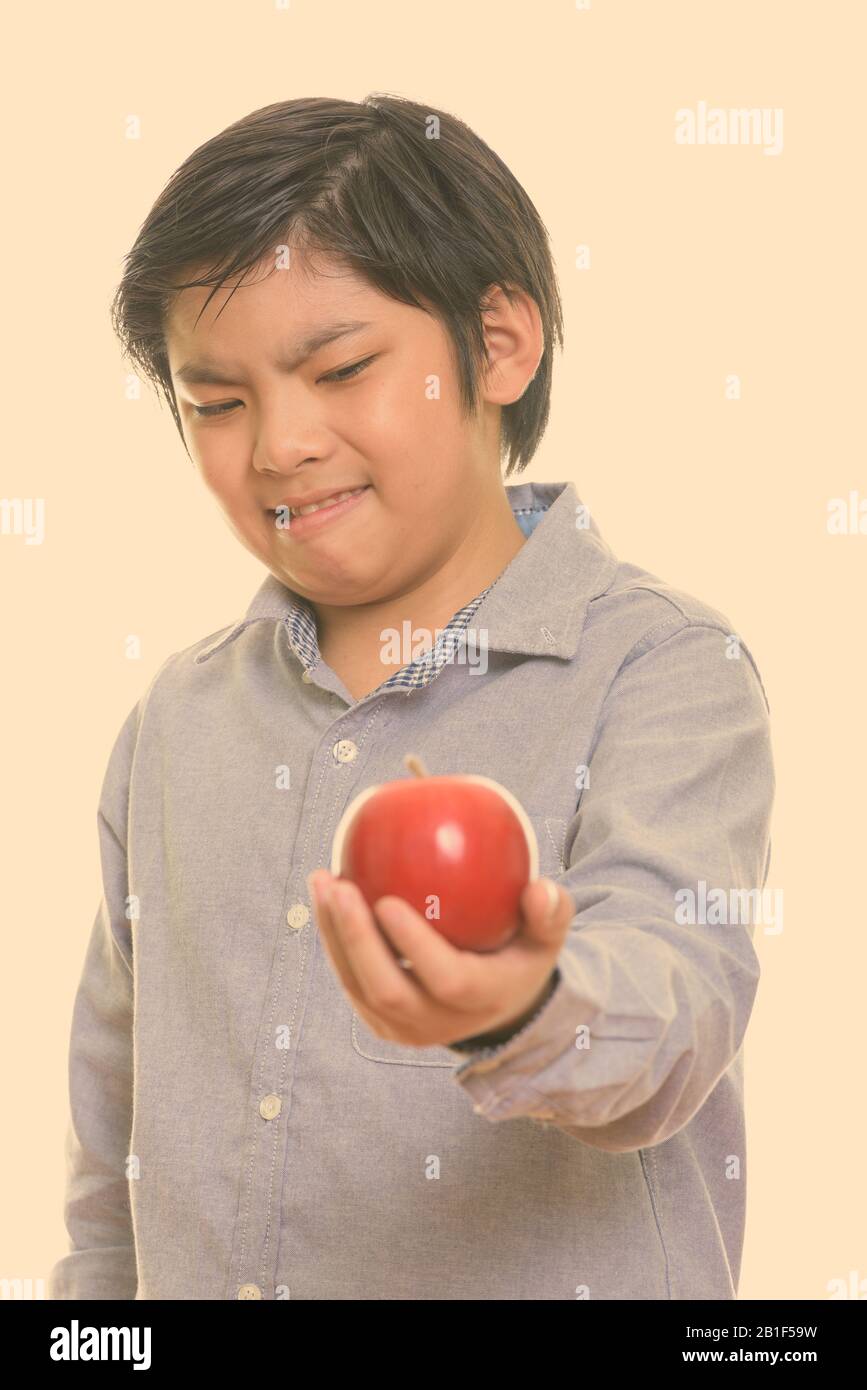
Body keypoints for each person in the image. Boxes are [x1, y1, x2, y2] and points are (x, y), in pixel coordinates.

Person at [49, 94, 774, 1301]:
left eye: (339, 368)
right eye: (215, 402)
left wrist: (522, 1005)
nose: (278, 443)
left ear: (497, 345)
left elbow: (676, 1004)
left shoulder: (663, 670)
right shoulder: (174, 723)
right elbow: (111, 1131)